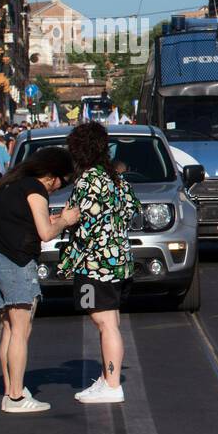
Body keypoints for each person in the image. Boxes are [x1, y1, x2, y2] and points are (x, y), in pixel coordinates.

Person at [0, 148, 80, 412]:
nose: (58, 188)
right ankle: (16, 396)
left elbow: (14, 222)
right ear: (51, 176)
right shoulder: (35, 189)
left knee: (9, 329)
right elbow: (47, 233)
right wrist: (64, 220)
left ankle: (10, 389)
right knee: (21, 331)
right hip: (16, 264)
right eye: (61, 181)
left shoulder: (7, 185)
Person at [59, 122, 141, 405]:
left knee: (104, 322)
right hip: (121, 260)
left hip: (96, 263)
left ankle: (112, 383)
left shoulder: (87, 180)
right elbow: (132, 209)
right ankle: (108, 378)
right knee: (111, 319)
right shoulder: (117, 179)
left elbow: (77, 219)